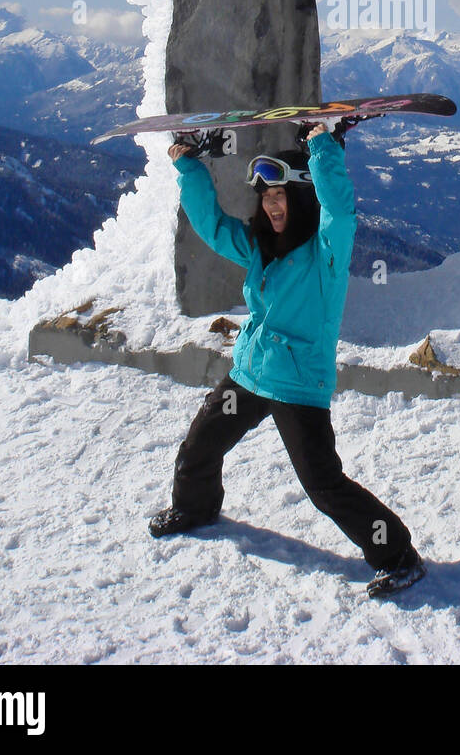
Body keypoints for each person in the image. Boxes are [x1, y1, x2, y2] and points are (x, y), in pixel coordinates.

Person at [148, 122, 426, 598]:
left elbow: (341, 212)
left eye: (281, 195)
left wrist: (321, 147)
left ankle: (398, 555)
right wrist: (188, 167)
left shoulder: (325, 255)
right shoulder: (258, 247)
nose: (272, 205)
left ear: (301, 197)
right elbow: (213, 227)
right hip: (253, 375)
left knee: (322, 483)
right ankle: (195, 508)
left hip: (298, 386)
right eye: (265, 197)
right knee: (200, 446)